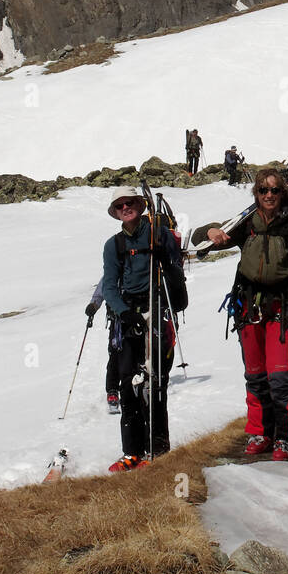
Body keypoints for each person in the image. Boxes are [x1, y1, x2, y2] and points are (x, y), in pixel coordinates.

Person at [206, 168, 288, 460]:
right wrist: (211, 231)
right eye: (263, 191)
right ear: (256, 194)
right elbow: (208, 237)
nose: (269, 195)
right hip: (247, 307)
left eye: (274, 191)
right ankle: (260, 433)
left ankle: (286, 437)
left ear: (283, 193)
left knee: (279, 377)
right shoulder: (247, 223)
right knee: (255, 376)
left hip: (281, 308)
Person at [97, 186, 181, 471]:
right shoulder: (113, 245)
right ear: (116, 212)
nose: (126, 208)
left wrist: (164, 241)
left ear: (139, 205)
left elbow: (175, 262)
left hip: (156, 307)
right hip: (127, 315)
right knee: (127, 384)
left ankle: (158, 450)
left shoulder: (158, 232)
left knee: (155, 383)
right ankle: (131, 452)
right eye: (120, 205)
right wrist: (123, 312)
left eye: (130, 203)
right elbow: (109, 284)